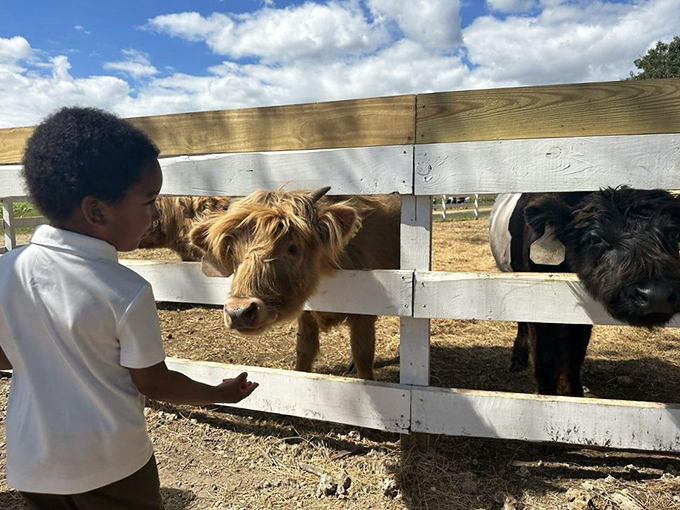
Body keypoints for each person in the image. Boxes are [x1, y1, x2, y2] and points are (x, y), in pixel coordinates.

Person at [0, 106, 258, 510]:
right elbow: (154, 383)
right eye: (150, 201)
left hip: (31, 464)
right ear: (97, 211)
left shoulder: (5, 271)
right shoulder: (127, 290)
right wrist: (219, 394)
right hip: (112, 466)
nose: (156, 214)